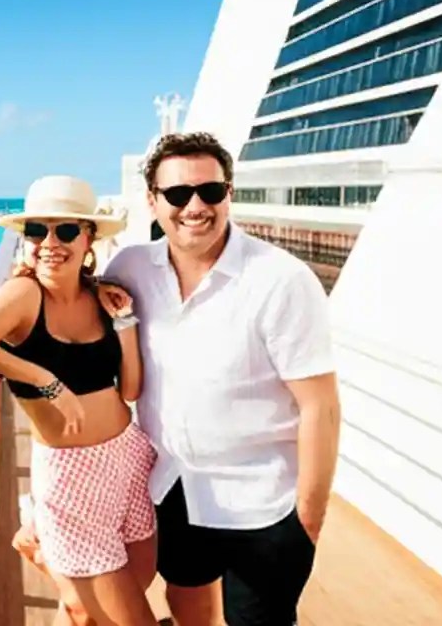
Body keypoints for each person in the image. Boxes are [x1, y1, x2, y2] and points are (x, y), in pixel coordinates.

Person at [102, 132, 342, 626]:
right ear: (152, 201)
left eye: (210, 192)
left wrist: (307, 521)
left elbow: (322, 406)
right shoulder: (129, 268)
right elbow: (69, 312)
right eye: (177, 194)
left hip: (263, 504)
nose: (195, 206)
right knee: (186, 600)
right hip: (175, 486)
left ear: (228, 193)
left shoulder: (280, 280)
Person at [0, 175, 159, 626]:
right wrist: (45, 379)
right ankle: (51, 551)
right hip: (71, 476)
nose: (49, 243)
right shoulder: (22, 294)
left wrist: (126, 322)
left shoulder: (101, 296)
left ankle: (47, 554)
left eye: (66, 230)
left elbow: (131, 390)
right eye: (37, 231)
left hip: (128, 457)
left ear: (89, 238)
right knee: (131, 618)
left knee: (127, 587)